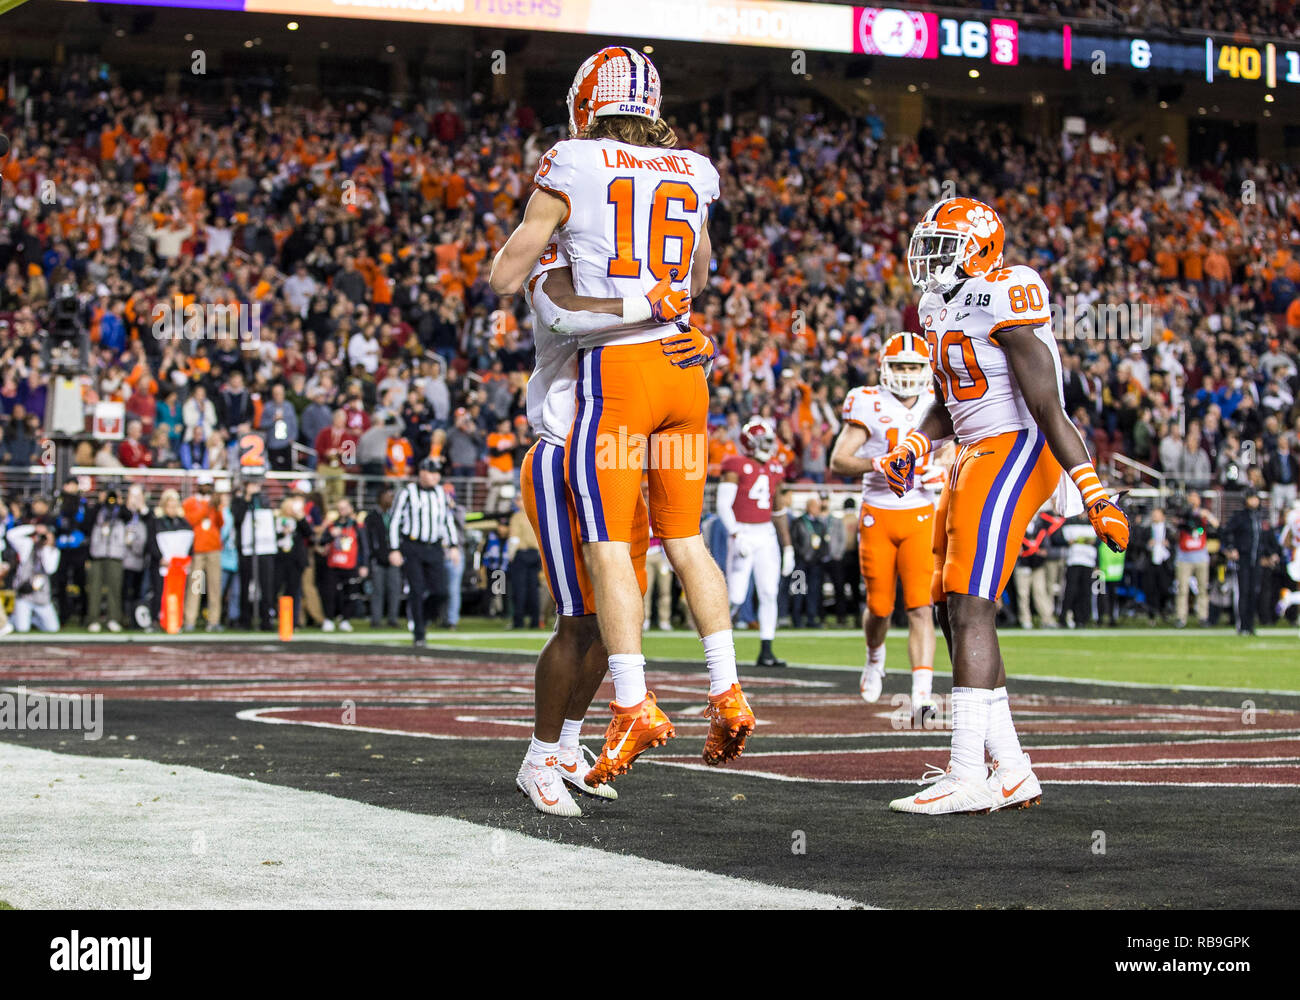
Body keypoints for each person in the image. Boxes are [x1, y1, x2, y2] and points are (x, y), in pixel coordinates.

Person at [489, 47, 752, 789]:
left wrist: (646, 307)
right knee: (583, 618)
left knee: (609, 619)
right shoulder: (689, 175)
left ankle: (572, 744)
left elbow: (503, 275)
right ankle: (544, 756)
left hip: (618, 415)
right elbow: (574, 305)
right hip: (584, 427)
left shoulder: (573, 174)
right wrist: (656, 307)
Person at [881, 196, 1129, 815]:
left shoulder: (1007, 292)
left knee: (972, 606)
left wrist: (1092, 491)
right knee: (949, 605)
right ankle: (1012, 769)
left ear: (981, 250)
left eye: (945, 246)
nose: (930, 259)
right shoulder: (937, 305)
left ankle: (968, 773)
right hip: (971, 451)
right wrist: (917, 435)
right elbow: (952, 394)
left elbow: (1048, 406)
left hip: (1017, 449)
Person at [830, 332, 939, 712]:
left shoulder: (936, 402)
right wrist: (878, 462)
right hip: (878, 510)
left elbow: (956, 448)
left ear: (926, 369)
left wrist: (943, 469)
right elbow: (839, 460)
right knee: (879, 607)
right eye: (900, 366)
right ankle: (875, 659)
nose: (907, 373)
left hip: (922, 513)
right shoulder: (868, 401)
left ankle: (922, 694)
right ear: (884, 368)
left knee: (921, 606)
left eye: (913, 366)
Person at [717, 417, 795, 668]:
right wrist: (735, 534)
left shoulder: (774, 468)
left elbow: (779, 510)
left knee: (769, 592)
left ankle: (767, 650)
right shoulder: (735, 465)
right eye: (764, 441)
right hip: (743, 532)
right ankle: (719, 651)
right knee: (736, 596)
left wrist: (788, 546)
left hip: (766, 534)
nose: (769, 446)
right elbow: (723, 505)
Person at [388, 457, 459, 648]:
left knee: (441, 591)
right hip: (413, 546)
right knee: (417, 590)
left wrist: (453, 545)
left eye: (437, 473)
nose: (435, 477)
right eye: (431, 472)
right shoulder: (407, 492)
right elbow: (394, 520)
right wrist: (394, 548)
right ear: (421, 472)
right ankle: (419, 633)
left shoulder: (441, 494)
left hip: (435, 546)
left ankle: (423, 618)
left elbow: (447, 520)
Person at [1224, 489, 1282, 635]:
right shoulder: (1240, 517)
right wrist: (1231, 548)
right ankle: (1242, 625)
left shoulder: (1261, 518)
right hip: (1243, 560)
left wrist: (1272, 553)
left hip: (1256, 561)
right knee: (1243, 592)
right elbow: (1227, 533)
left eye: (1255, 498)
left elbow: (1266, 539)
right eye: (1251, 498)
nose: (1254, 501)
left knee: (1254, 592)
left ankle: (1250, 625)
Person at [182, 473, 224, 632]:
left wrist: (217, 507)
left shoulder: (214, 503)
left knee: (214, 587)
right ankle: (190, 620)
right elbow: (191, 520)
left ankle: (214, 620)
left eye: (208, 485)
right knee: (195, 586)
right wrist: (208, 507)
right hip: (198, 550)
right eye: (204, 484)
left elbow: (220, 523)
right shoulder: (191, 502)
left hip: (214, 549)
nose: (206, 488)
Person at [320, 498, 369, 632]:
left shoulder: (357, 526)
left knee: (350, 593)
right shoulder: (332, 525)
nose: (342, 511)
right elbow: (321, 542)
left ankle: (345, 619)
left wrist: (364, 564)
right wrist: (330, 535)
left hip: (350, 565)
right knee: (330, 593)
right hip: (333, 564)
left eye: (345, 507)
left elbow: (364, 546)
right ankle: (329, 618)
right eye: (340, 508)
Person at [85, 489, 128, 633]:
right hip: (98, 554)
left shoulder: (120, 512)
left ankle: (113, 618)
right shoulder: (98, 511)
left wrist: (121, 504)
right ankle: (93, 619)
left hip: (115, 555)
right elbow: (88, 520)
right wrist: (99, 503)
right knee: (94, 589)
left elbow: (128, 516)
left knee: (114, 589)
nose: (111, 500)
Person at [1174, 491, 1218, 627]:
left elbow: (1216, 525)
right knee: (1182, 589)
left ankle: (1203, 617)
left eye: (1195, 497)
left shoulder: (1202, 514)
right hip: (1184, 557)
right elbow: (1176, 526)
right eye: (1190, 497)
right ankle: (1181, 617)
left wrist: (1206, 515)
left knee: (1203, 588)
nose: (1193, 500)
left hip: (1200, 556)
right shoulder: (1182, 514)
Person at [7, 520, 61, 633]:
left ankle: (33, 620)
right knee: (22, 629)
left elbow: (49, 569)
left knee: (52, 628)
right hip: (24, 595)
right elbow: (11, 535)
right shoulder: (27, 545)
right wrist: (34, 528)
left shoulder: (53, 551)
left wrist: (45, 547)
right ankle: (15, 619)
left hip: (42, 597)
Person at [790, 494, 831, 629]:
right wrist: (801, 555)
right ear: (808, 508)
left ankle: (811, 618)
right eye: (815, 506)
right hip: (800, 563)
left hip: (815, 563)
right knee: (799, 590)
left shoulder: (820, 524)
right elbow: (794, 541)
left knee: (814, 591)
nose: (817, 509)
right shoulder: (798, 522)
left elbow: (824, 543)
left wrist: (820, 556)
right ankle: (797, 619)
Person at [364, 486, 402, 628]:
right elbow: (369, 539)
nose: (390, 499)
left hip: (394, 559)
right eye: (388, 496)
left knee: (394, 590)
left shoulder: (396, 515)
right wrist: (374, 555)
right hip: (378, 559)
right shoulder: (372, 517)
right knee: (377, 591)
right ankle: (376, 619)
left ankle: (393, 618)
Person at [506, 503, 542, 630]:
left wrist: (510, 556)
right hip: (535, 554)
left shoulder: (517, 516)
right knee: (533, 590)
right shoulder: (537, 514)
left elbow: (514, 539)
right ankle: (535, 621)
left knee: (519, 590)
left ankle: (518, 621)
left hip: (521, 554)